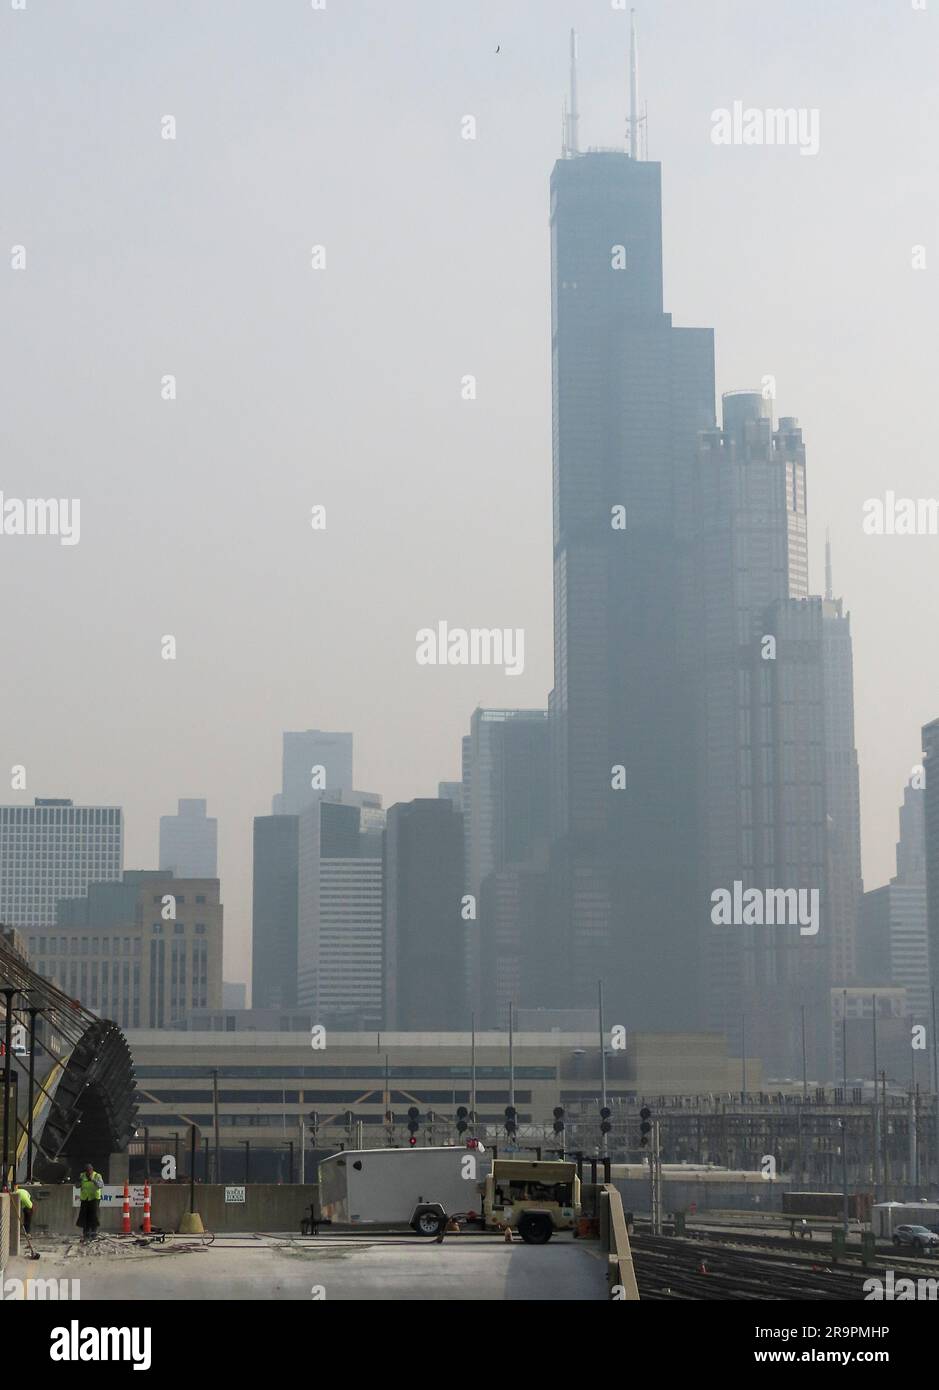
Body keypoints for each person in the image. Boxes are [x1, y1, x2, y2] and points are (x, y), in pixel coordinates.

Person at [77, 1163, 104, 1241]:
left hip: (94, 1198)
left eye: (89, 1171)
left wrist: (93, 1180)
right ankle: (86, 1233)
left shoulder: (97, 1176)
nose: (88, 1173)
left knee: (94, 1216)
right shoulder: (82, 1175)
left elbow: (101, 1185)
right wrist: (78, 1181)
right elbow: (77, 1186)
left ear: (92, 1170)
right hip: (85, 1198)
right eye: (86, 1171)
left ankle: (93, 1233)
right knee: (85, 1216)